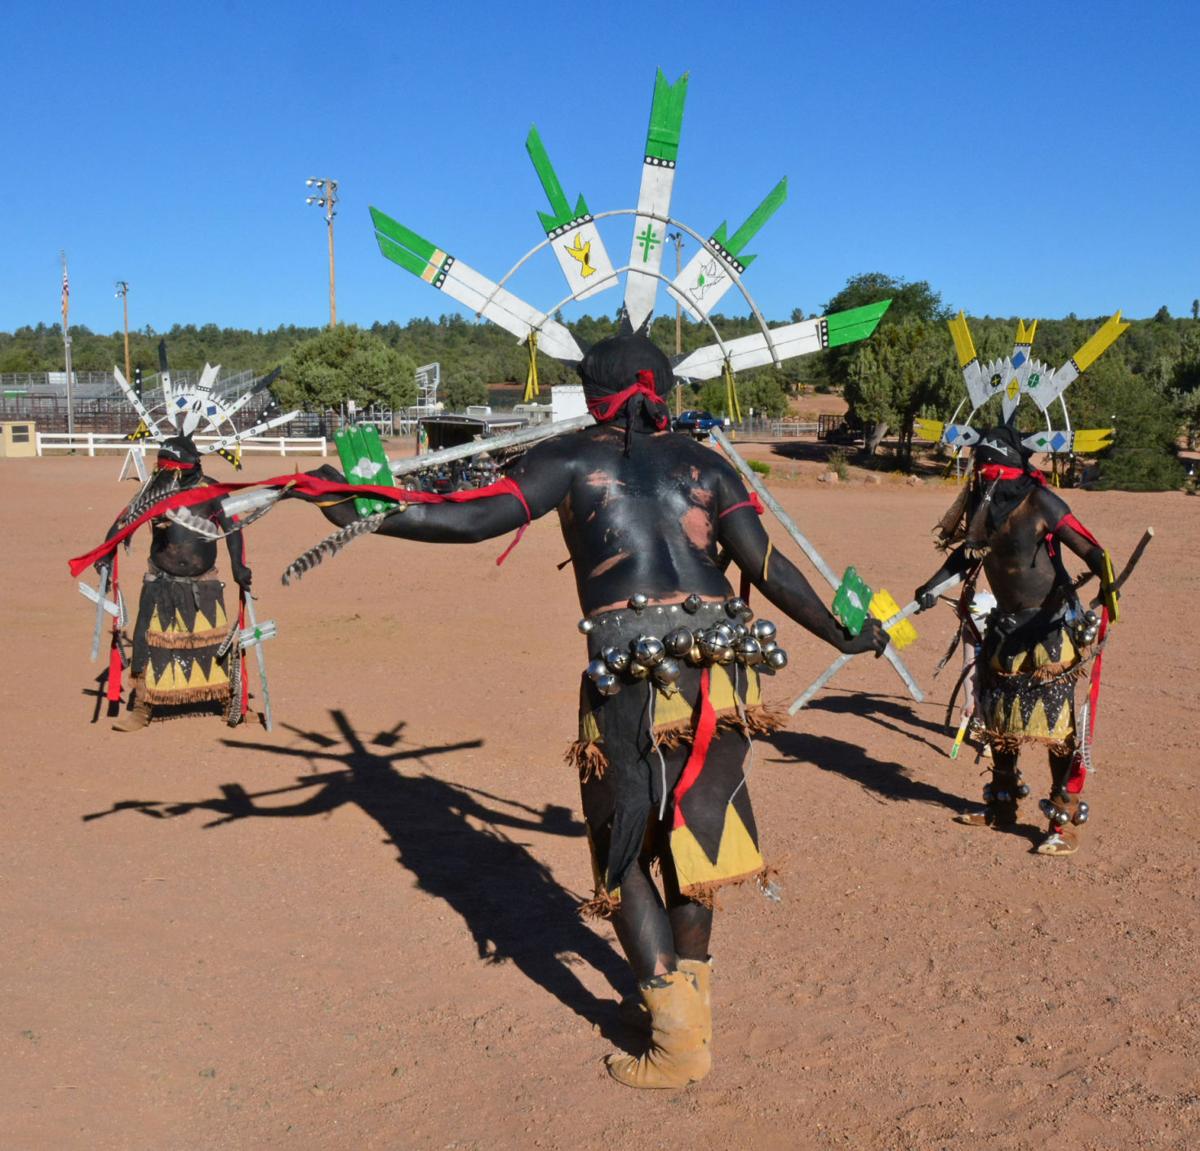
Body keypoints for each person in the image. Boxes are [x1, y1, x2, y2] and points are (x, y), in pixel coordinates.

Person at [296, 332, 887, 1088]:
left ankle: (677, 1043)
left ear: (592, 392)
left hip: (634, 675)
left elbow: (472, 517)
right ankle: (688, 1008)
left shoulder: (572, 458)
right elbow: (767, 568)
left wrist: (357, 508)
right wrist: (846, 630)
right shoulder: (707, 463)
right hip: (724, 671)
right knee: (695, 846)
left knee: (624, 851)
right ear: (662, 388)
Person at [913, 424, 1112, 856]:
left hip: (1050, 630)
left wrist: (1107, 590)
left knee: (1056, 729)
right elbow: (967, 553)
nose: (985, 477)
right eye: (980, 470)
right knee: (999, 721)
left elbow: (1093, 551)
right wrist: (932, 585)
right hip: (1005, 627)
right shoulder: (983, 508)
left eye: (991, 470)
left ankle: (1062, 821)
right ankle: (1003, 805)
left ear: (1010, 467)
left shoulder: (1040, 501)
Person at [97, 434, 253, 731]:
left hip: (203, 582)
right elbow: (123, 522)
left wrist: (238, 567)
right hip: (160, 581)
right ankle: (143, 708)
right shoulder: (156, 490)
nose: (175, 476)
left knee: (213, 645)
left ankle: (227, 702)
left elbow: (233, 529)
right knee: (147, 644)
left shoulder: (211, 490)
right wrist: (105, 553)